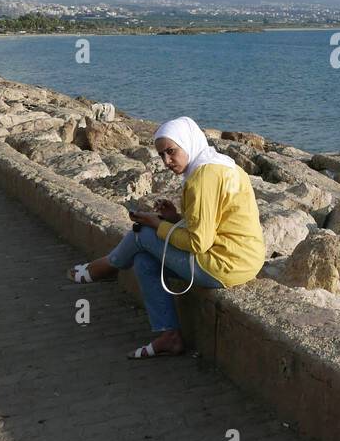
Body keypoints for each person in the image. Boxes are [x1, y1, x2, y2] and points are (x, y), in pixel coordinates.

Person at [67, 116, 265, 358]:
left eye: (171, 152)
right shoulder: (224, 164)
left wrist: (157, 224)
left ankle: (107, 266)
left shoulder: (202, 178)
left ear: (187, 143)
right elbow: (213, 224)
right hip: (246, 259)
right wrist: (174, 219)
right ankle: (169, 336)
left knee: (142, 234)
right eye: (161, 155)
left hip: (225, 265)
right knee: (144, 262)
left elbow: (198, 242)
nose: (166, 161)